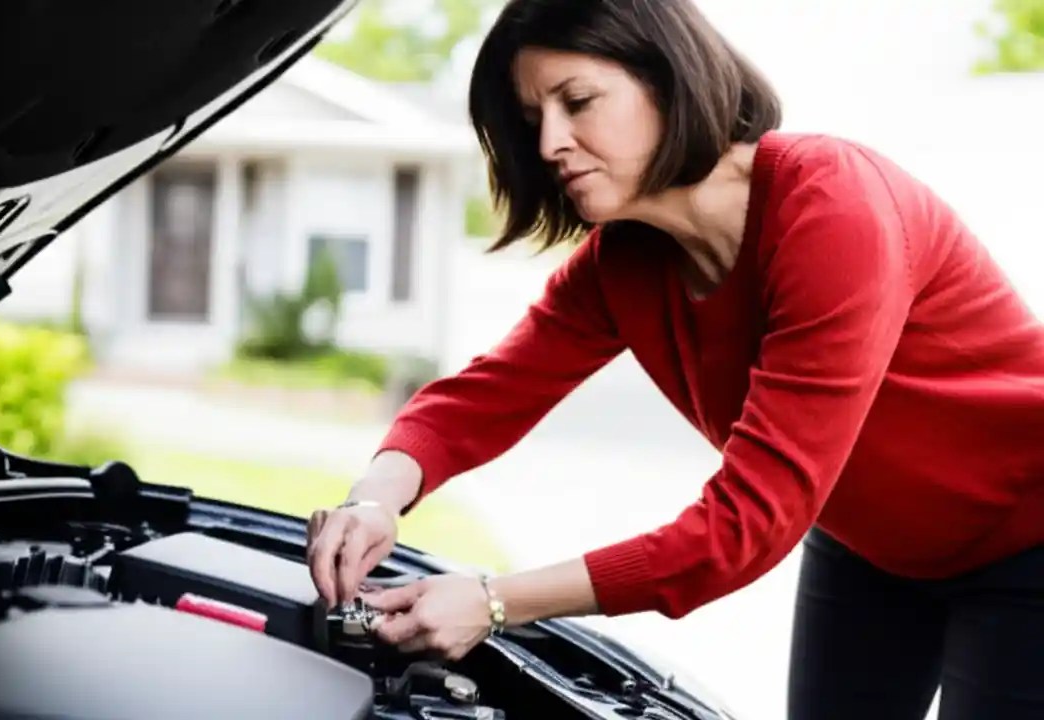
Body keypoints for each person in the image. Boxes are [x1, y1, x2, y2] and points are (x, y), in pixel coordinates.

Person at [304, 0, 1044, 717]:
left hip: (1027, 543)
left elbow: (741, 526)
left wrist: (496, 601)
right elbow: (485, 396)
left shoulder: (834, 207)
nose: (550, 142)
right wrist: (375, 498)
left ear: (667, 75)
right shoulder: (623, 266)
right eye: (534, 121)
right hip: (871, 550)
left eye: (578, 100)